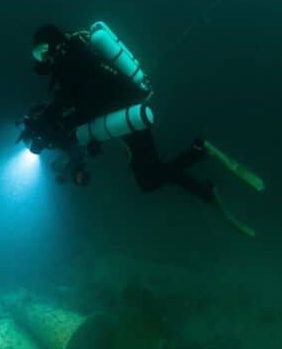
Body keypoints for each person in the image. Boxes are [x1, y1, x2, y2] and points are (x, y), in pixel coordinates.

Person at [17, 23, 264, 236]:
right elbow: (81, 100)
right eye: (37, 56)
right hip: (124, 114)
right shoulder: (77, 53)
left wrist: (60, 124)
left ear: (54, 45)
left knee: (149, 179)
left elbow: (84, 103)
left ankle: (200, 158)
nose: (41, 61)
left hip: (127, 116)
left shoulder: (72, 63)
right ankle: (203, 181)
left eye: (41, 53)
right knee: (152, 174)